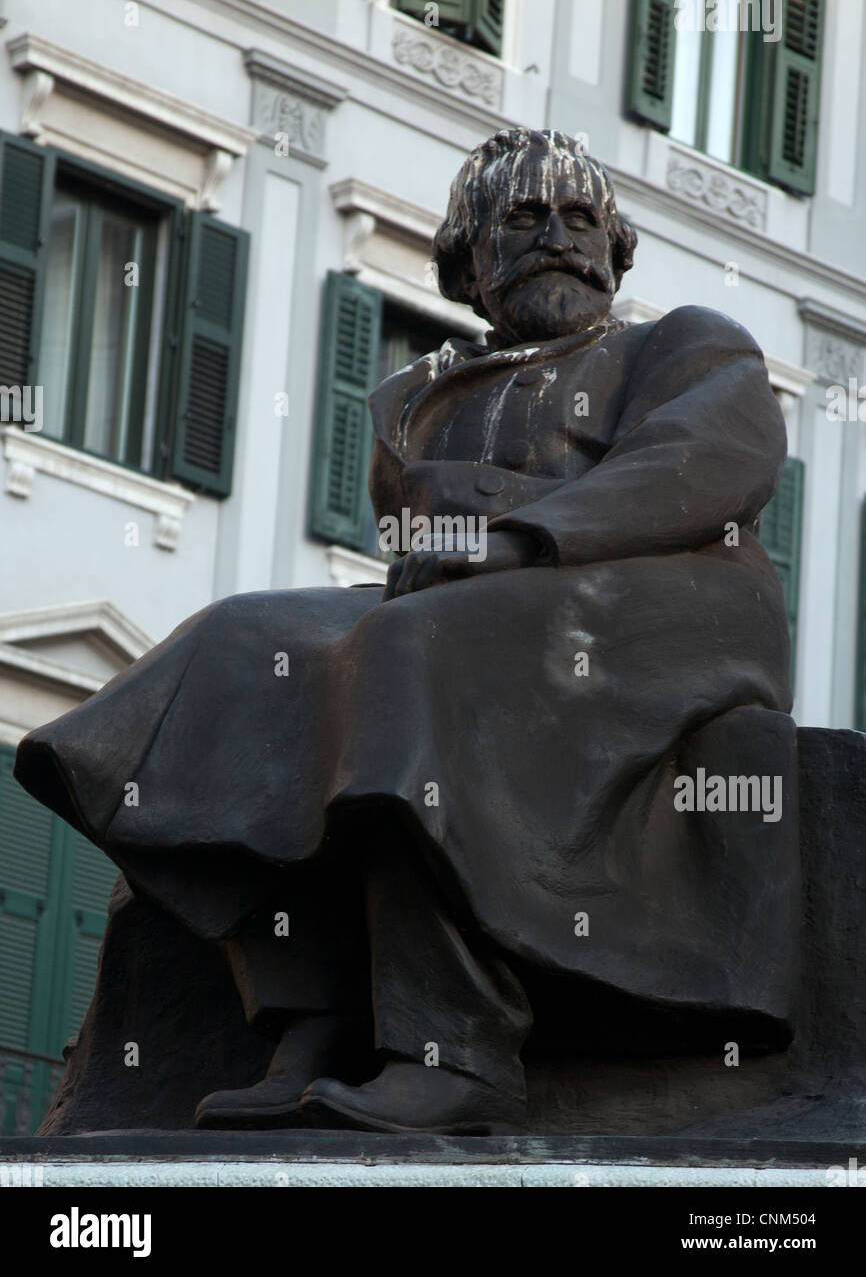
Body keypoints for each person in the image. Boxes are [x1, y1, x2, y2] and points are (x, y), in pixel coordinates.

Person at [15, 129, 795, 1135]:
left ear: (614, 247)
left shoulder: (682, 344)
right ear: (469, 257)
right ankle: (311, 1008)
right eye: (520, 218)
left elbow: (706, 467)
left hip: (659, 614)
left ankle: (456, 1048)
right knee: (241, 644)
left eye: (578, 218)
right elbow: (414, 541)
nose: (555, 236)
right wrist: (471, 547)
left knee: (410, 648)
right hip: (480, 610)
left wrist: (516, 535)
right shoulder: (412, 401)